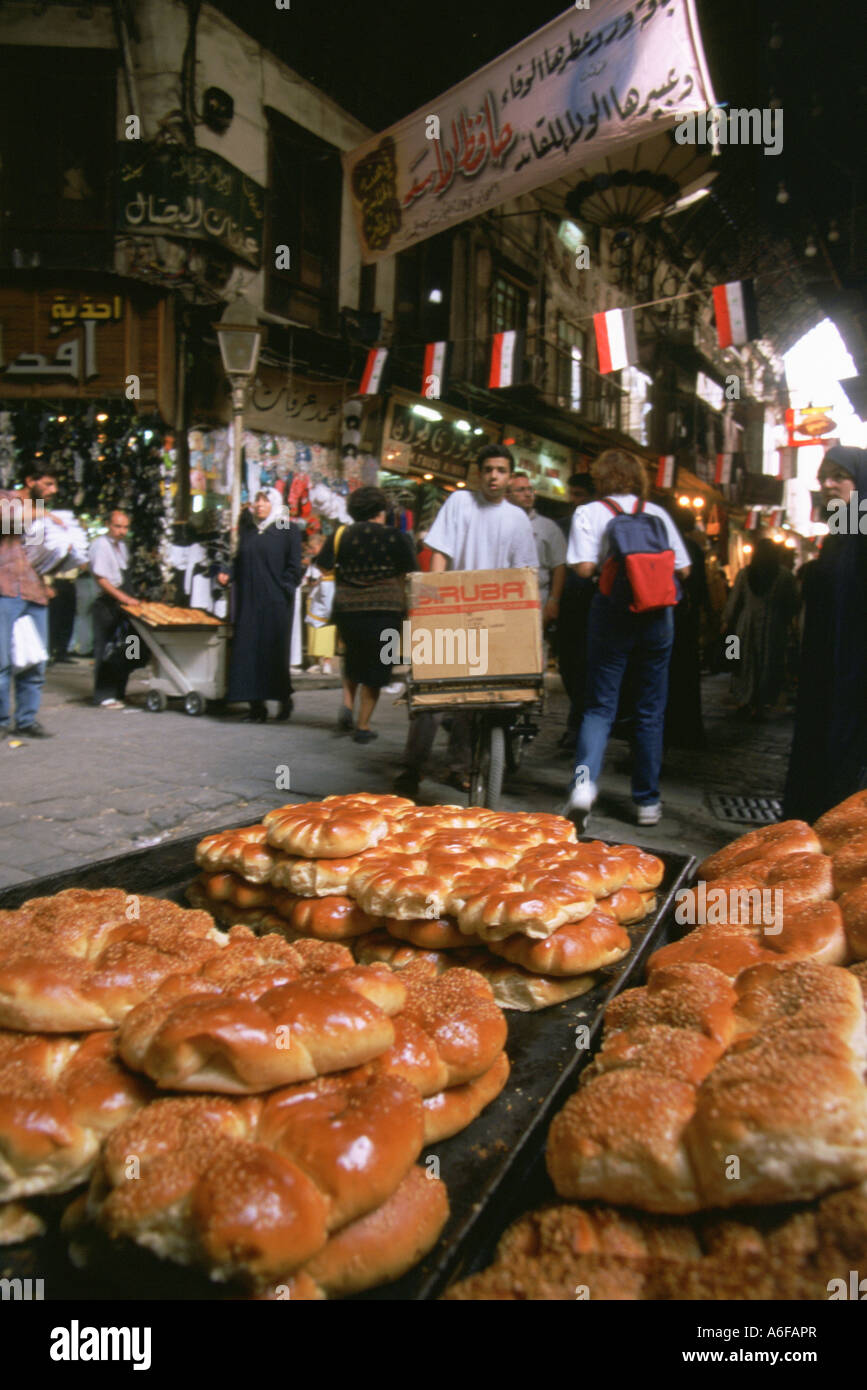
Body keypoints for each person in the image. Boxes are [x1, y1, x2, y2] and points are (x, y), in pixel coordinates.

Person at [395, 445, 538, 795]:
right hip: (452, 610)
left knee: (472, 701)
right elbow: (440, 553)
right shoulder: (460, 502)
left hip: (496, 616)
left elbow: (524, 574)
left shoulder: (517, 518)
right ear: (478, 472)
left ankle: (460, 767)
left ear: (510, 476)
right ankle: (412, 769)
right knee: (431, 695)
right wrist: (432, 602)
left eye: (501, 470)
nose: (493, 476)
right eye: (487, 469)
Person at [564, 448, 691, 830]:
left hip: (612, 612)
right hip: (657, 615)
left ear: (600, 477)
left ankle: (583, 788)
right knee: (650, 709)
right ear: (637, 478)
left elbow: (585, 567)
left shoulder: (589, 512)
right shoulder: (657, 513)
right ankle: (647, 801)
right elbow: (683, 570)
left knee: (599, 707)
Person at [784, 446, 867, 821]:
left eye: (839, 476)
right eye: (824, 478)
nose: (829, 485)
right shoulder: (839, 535)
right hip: (827, 670)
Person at [317, 487, 415, 742]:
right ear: (382, 511)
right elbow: (411, 573)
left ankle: (347, 705)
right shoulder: (397, 537)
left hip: (348, 610)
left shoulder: (341, 535)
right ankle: (363, 726)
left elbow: (322, 564)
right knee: (377, 667)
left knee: (353, 657)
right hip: (386, 610)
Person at [218, 488, 302, 723]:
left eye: (265, 500)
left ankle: (283, 698)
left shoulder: (286, 528)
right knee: (248, 651)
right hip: (248, 601)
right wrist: (227, 573)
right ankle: (256, 707)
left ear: (275, 504)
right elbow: (238, 560)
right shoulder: (249, 530)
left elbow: (294, 565)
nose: (260, 504)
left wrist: (284, 589)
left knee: (272, 653)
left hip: (275, 603)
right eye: (257, 500)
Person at [0, 463, 59, 737]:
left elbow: (34, 553)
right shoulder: (7, 499)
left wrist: (49, 578)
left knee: (35, 659)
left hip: (34, 591)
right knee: (2, 661)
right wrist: (41, 513)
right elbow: (6, 521)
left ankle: (26, 720)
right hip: (5, 588)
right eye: (47, 484)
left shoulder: (40, 514)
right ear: (30, 480)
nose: (52, 490)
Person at [723, 536, 798, 722]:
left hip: (745, 624)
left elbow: (734, 602)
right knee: (767, 663)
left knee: (744, 662)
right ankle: (760, 703)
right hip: (774, 625)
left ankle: (744, 700)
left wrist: (726, 622)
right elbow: (793, 604)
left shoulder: (745, 573)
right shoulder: (784, 575)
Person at [664, 506, 712, 749]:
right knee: (685, 676)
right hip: (686, 619)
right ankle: (685, 729)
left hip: (666, 616)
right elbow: (701, 587)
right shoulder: (693, 548)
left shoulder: (665, 544)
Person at [555, 469, 595, 752]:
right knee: (569, 666)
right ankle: (577, 721)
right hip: (567, 608)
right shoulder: (561, 526)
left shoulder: (603, 525)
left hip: (595, 609)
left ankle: (579, 727)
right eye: (572, 495)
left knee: (587, 669)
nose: (575, 500)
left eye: (580, 495)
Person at [89, 510, 142, 709]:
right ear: (108, 525)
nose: (121, 531)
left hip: (125, 606)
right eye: (117, 526)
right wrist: (124, 598)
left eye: (125, 527)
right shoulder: (100, 545)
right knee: (107, 650)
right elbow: (101, 579)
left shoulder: (122, 547)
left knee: (130, 648)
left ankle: (120, 692)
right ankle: (104, 696)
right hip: (107, 605)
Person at [506, 472, 567, 629]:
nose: (527, 494)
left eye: (530, 490)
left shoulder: (549, 527)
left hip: (536, 596)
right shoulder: (497, 523)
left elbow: (559, 566)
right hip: (502, 596)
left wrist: (554, 601)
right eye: (520, 490)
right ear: (506, 495)